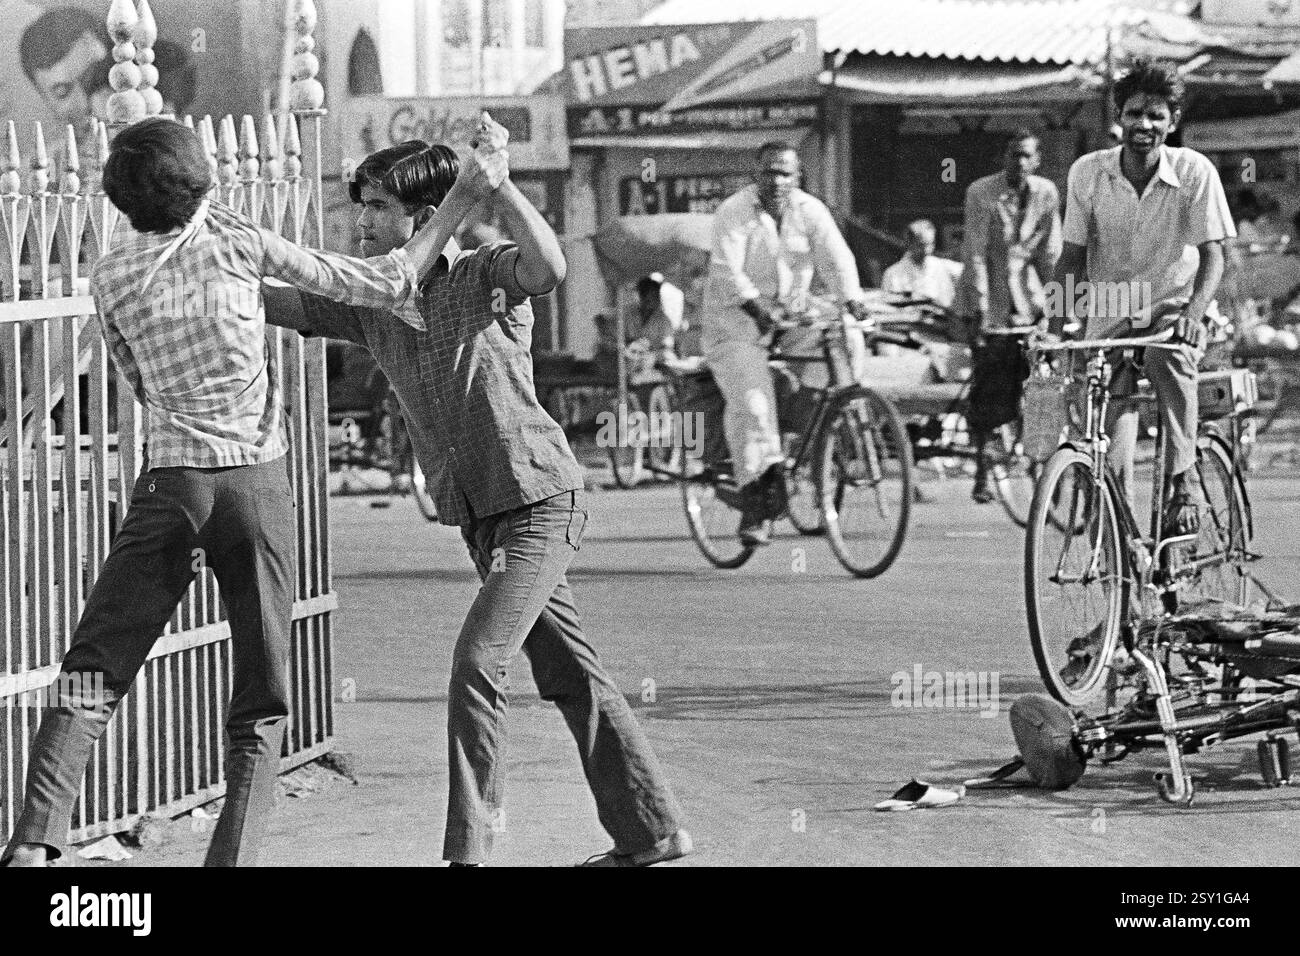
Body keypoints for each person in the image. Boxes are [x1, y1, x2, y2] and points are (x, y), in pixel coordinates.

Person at [1, 116, 461, 868]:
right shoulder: (235, 238)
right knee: (262, 686)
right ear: (203, 182)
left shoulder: (110, 275)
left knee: (94, 664)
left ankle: (36, 838)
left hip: (173, 483)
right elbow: (384, 282)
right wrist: (463, 198)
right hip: (255, 483)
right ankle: (233, 858)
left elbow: (137, 380)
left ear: (121, 202)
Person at [263, 121, 691, 867]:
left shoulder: (482, 274)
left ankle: (471, 852)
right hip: (481, 520)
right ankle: (651, 831)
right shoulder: (371, 305)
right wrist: (200, 258)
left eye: (376, 208)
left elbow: (549, 266)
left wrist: (500, 185)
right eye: (359, 206)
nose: (361, 223)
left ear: (425, 219)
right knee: (568, 674)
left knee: (477, 664)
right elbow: (282, 301)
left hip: (538, 500)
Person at [1048, 59, 1234, 538]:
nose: (1143, 126)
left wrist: (1194, 314)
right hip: (1109, 312)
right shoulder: (1087, 173)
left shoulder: (1194, 171)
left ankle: (1184, 476)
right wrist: (1053, 327)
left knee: (1164, 353)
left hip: (1173, 306)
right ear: (1119, 118)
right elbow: (1071, 257)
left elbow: (1214, 256)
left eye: (1156, 116)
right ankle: (1122, 573)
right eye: (1134, 114)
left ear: (1172, 122)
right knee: (1108, 454)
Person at [703, 141, 871, 546]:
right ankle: (756, 503)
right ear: (756, 174)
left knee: (846, 337)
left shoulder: (809, 210)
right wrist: (761, 311)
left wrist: (852, 297)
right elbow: (727, 272)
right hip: (736, 322)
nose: (777, 180)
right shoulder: (734, 212)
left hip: (792, 314)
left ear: (797, 177)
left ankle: (834, 427)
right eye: (770, 172)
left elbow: (836, 257)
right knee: (755, 404)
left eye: (786, 173)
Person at [960, 129, 1062, 503]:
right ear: (1004, 158)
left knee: (1042, 384)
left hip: (1030, 298)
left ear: (1036, 161)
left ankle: (1044, 464)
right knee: (989, 385)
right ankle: (983, 471)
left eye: (1026, 156)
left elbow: (1051, 252)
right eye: (1013, 155)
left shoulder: (1047, 193)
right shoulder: (981, 192)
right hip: (989, 297)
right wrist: (982, 308)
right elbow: (974, 252)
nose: (1019, 163)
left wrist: (1060, 308)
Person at [881, 219, 961, 310]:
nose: (927, 250)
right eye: (921, 245)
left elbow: (968, 272)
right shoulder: (892, 274)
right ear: (909, 243)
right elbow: (886, 309)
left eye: (931, 244)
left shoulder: (944, 267)